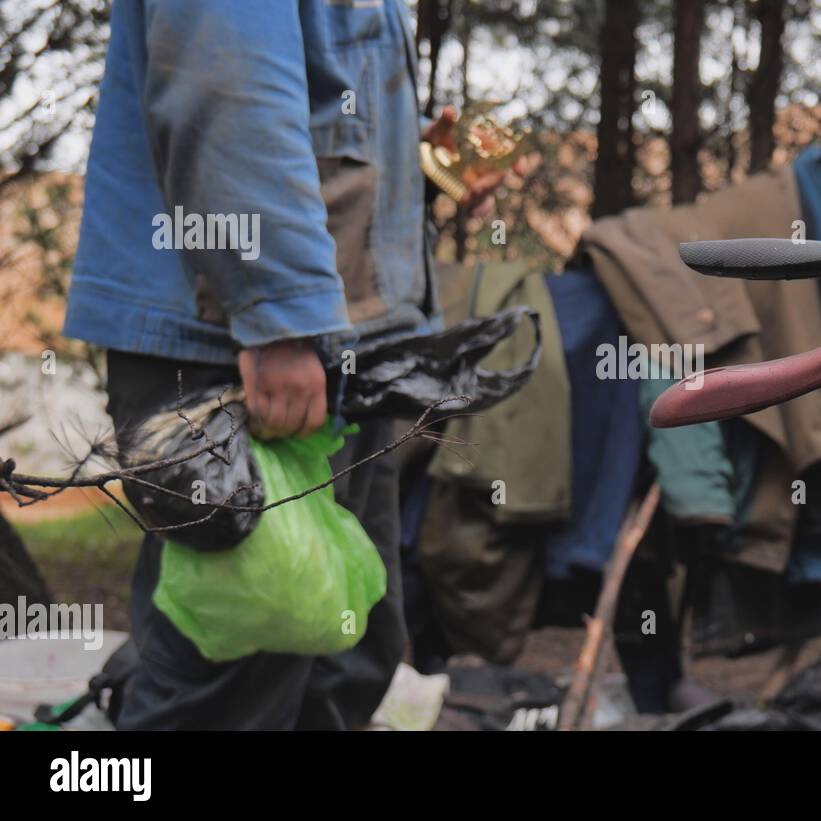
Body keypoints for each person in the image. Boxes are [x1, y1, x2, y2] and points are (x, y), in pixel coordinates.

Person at [63, 0, 513, 729]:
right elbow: (228, 83)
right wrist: (279, 315)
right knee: (227, 685)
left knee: (339, 657)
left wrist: (416, 169)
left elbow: (313, 112)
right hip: (239, 343)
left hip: (329, 339)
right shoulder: (276, 324)